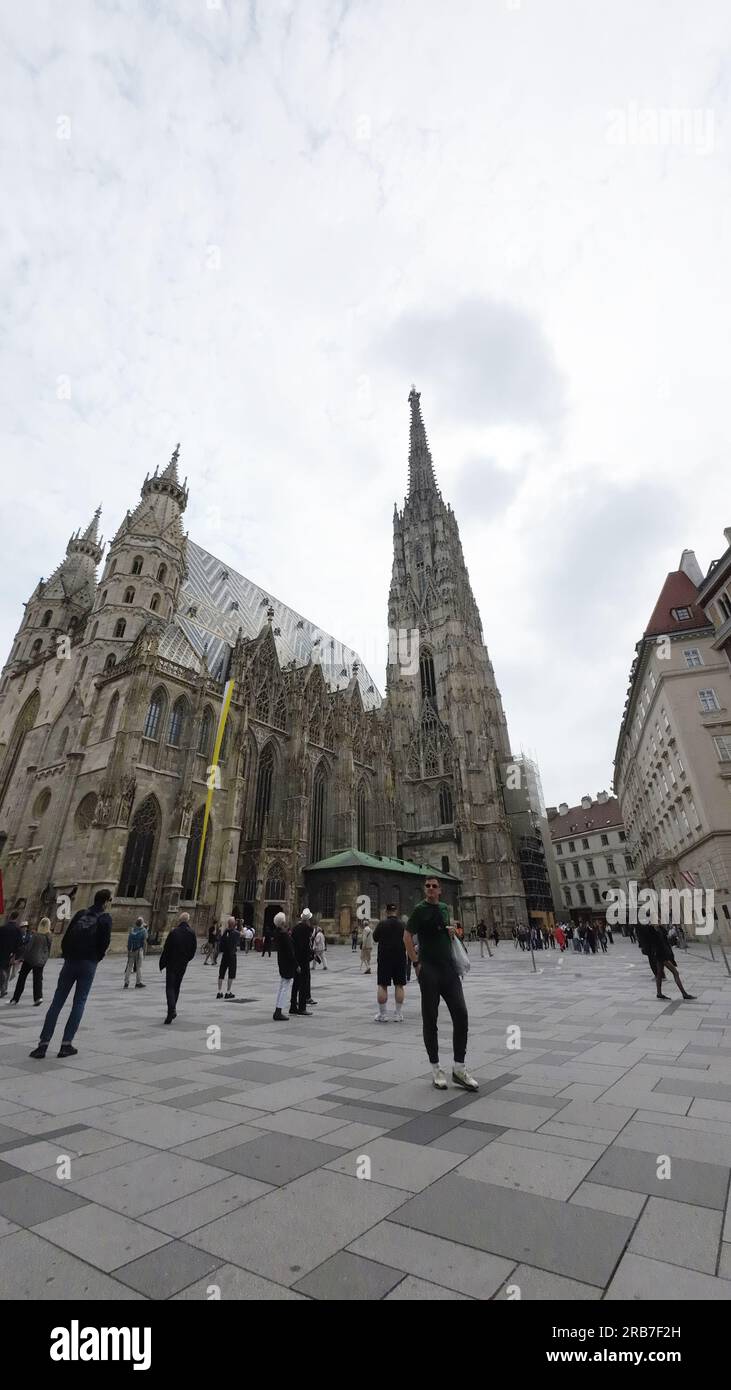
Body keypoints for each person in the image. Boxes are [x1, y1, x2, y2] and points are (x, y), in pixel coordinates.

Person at [405, 875, 478, 1092]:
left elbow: (447, 931)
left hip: (449, 971)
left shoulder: (446, 908)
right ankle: (436, 1068)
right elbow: (407, 936)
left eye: (434, 886)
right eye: (427, 885)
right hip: (429, 970)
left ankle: (459, 1068)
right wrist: (416, 964)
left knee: (461, 1014)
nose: (430, 888)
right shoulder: (419, 910)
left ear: (440, 890)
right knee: (430, 1018)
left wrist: (451, 932)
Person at [30, 889, 112, 1059]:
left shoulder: (81, 913)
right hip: (88, 963)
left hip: (71, 961)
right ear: (106, 902)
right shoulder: (105, 918)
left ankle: (43, 1045)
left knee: (57, 1002)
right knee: (79, 1002)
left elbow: (67, 938)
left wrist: (68, 955)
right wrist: (96, 958)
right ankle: (66, 1044)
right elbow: (104, 943)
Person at [636, 922, 696, 1002]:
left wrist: (660, 926)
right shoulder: (650, 929)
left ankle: (659, 993)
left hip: (661, 953)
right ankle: (684, 994)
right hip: (660, 954)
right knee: (675, 972)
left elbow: (665, 935)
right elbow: (652, 941)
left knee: (659, 974)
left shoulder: (658, 928)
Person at [159, 911, 197, 1023]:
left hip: (171, 963)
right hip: (182, 964)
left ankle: (171, 1009)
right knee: (177, 986)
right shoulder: (191, 933)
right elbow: (193, 950)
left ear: (179, 920)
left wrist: (164, 962)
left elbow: (166, 948)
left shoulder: (174, 932)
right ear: (188, 920)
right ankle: (173, 1008)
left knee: (169, 987)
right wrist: (186, 959)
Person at [373, 903, 407, 1022]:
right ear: (396, 912)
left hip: (384, 957)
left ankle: (383, 1014)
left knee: (383, 985)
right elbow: (408, 939)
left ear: (386, 912)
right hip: (400, 957)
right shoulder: (403, 924)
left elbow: (375, 938)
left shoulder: (382, 924)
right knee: (399, 985)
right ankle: (398, 1014)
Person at [10, 916, 51, 1005]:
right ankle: (38, 997)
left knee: (22, 978)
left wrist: (21, 959)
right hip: (40, 961)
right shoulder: (49, 937)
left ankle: (15, 998)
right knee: (38, 979)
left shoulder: (36, 935)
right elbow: (48, 950)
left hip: (30, 959)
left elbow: (28, 948)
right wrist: (44, 960)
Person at [273, 911, 297, 1020]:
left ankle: (277, 1010)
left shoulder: (278, 934)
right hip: (287, 964)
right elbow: (290, 952)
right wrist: (296, 965)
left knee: (282, 986)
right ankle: (278, 1011)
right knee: (285, 987)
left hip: (282, 963)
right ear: (282, 923)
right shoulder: (284, 935)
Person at [290, 911, 314, 1015]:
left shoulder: (295, 928)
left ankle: (293, 1006)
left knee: (296, 984)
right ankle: (302, 1008)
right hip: (304, 960)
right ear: (308, 920)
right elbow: (306, 946)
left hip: (296, 960)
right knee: (303, 984)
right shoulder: (307, 929)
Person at [0, 910, 24, 998]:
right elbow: (20, 945)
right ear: (17, 918)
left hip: (1, 952)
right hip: (11, 954)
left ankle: (3, 988)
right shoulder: (18, 930)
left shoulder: (2, 928)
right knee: (6, 971)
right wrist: (17, 956)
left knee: (1, 970)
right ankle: (3, 989)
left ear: (10, 917)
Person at [217, 917, 241, 999]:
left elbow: (221, 943)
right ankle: (228, 992)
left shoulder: (225, 932)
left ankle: (219, 992)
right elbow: (242, 934)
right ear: (234, 924)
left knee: (221, 973)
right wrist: (240, 924)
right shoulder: (236, 933)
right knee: (231, 974)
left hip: (225, 955)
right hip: (232, 955)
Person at [123, 916, 147, 989]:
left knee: (129, 967)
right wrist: (145, 951)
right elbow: (145, 941)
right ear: (142, 923)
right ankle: (138, 982)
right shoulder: (143, 931)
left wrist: (129, 950)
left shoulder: (132, 930)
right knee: (138, 967)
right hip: (139, 950)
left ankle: (126, 983)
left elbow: (128, 941)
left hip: (131, 950)